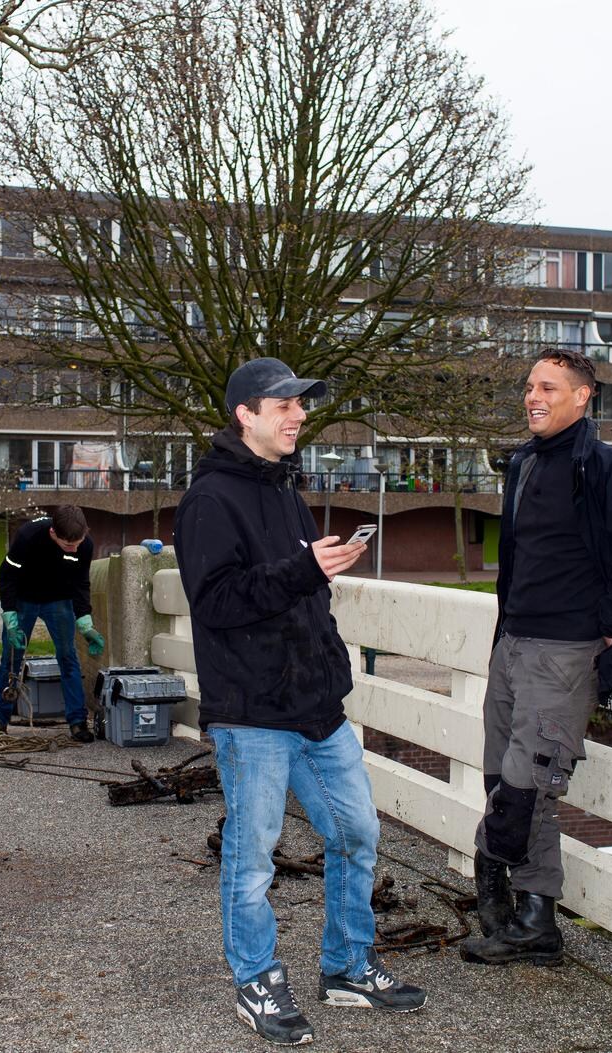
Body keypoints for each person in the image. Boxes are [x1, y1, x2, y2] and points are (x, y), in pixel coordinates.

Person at [174, 357, 427, 1047]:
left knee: (356, 834)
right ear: (245, 415)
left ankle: (347, 966)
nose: (299, 415)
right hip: (253, 710)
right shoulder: (208, 500)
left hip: (317, 705)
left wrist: (317, 586)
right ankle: (256, 980)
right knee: (253, 855)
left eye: (301, 404)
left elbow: (298, 589)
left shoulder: (286, 487)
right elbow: (217, 602)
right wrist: (303, 568)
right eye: (283, 404)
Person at [459, 348, 612, 967]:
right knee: (506, 781)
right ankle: (536, 920)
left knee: (525, 789)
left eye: (549, 387)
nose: (533, 396)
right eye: (530, 386)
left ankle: (497, 889)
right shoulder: (525, 464)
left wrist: (603, 628)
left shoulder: (607, 468)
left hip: (562, 654)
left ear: (583, 396)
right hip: (512, 644)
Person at [0, 506, 104, 743]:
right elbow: (7, 574)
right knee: (11, 659)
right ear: (53, 533)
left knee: (68, 657)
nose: (74, 549)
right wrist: (10, 616)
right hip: (24, 599)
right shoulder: (28, 536)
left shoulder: (84, 545)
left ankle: (77, 722)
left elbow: (80, 583)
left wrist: (85, 622)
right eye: (68, 545)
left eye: (78, 543)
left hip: (59, 600)